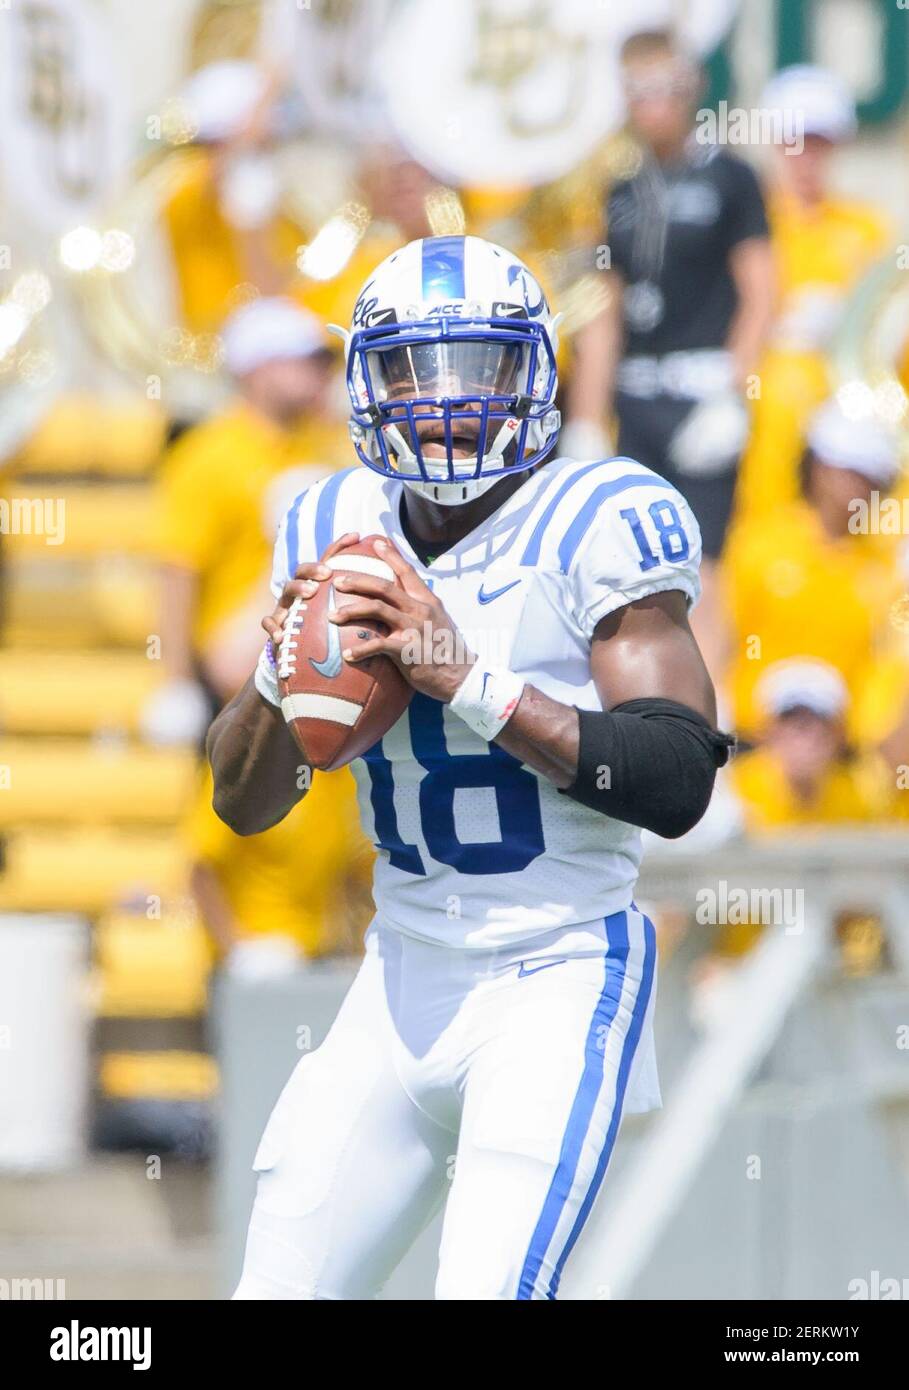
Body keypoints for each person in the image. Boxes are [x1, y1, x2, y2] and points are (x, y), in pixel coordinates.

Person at [208, 233, 731, 1300]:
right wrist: (280, 672)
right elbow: (242, 803)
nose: (445, 402)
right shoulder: (327, 519)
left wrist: (466, 677)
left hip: (559, 968)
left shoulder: (595, 517)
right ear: (367, 384)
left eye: (478, 369)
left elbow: (679, 777)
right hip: (397, 971)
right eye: (414, 371)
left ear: (533, 374)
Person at [566, 27, 774, 684]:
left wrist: (729, 390)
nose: (651, 105)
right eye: (637, 90)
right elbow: (603, 309)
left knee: (702, 566)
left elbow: (761, 292)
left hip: (699, 388)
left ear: (690, 89)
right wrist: (587, 420)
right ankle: (643, 715)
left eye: (663, 88)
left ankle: (709, 743)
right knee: (630, 567)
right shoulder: (618, 188)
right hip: (636, 393)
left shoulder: (730, 177)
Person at [144, 297, 346, 745]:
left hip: (321, 672)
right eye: (307, 360)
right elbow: (177, 571)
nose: (322, 373)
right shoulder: (208, 454)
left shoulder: (323, 446)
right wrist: (175, 681)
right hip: (235, 681)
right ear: (260, 367)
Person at [734, 66, 892, 522]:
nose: (804, 156)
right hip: (766, 394)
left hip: (846, 389)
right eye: (793, 140)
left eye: (817, 141)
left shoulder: (865, 227)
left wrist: (845, 325)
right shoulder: (753, 219)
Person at [723, 397, 909, 750]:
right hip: (751, 746)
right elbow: (724, 638)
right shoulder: (760, 544)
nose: (859, 489)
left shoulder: (885, 572)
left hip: (841, 758)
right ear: (820, 468)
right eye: (851, 473)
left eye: (872, 479)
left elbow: (884, 668)